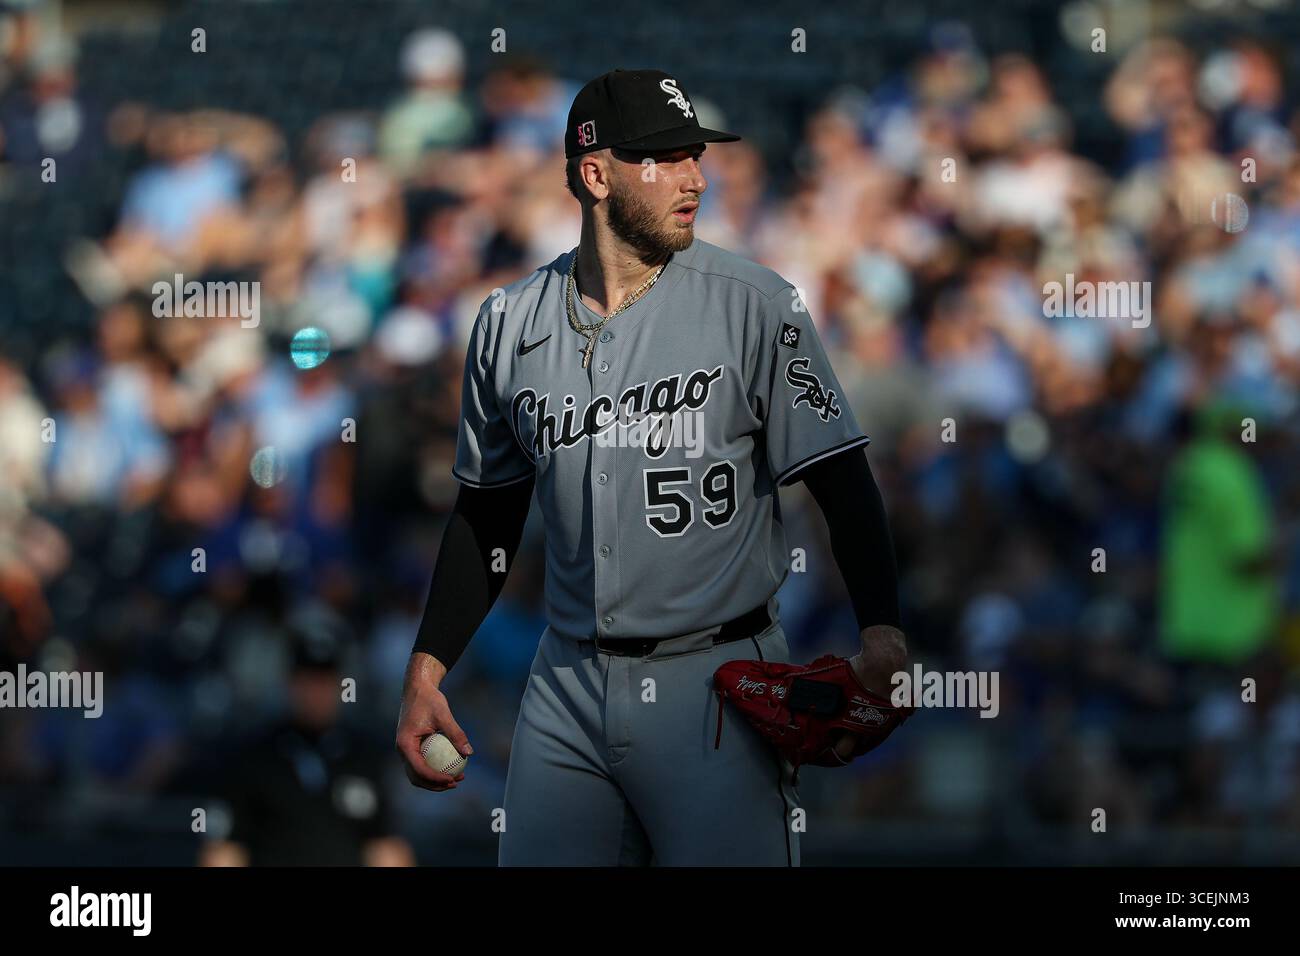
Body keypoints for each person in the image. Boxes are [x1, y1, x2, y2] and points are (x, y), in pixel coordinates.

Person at [396, 69, 907, 866]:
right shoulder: (506, 324)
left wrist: (882, 632)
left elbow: (843, 481)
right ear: (596, 173)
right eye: (664, 159)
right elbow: (487, 514)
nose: (696, 177)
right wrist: (427, 669)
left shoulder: (757, 304)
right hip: (565, 683)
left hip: (717, 683)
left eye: (695, 156)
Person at [202, 609, 413, 866]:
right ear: (289, 683)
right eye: (307, 681)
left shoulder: (365, 756)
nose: (316, 692)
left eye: (325, 681)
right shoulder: (251, 757)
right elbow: (225, 852)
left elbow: (384, 847)